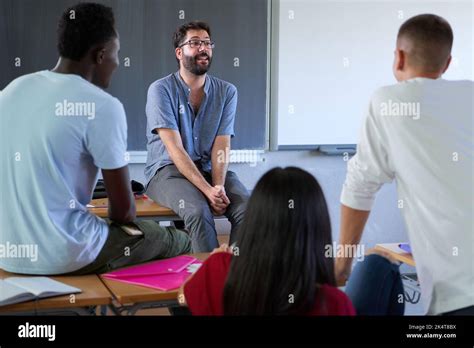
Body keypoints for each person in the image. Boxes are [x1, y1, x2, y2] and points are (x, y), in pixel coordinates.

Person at [0, 2, 190, 275]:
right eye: (116, 54)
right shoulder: (102, 105)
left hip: (6, 252)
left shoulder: (11, 91)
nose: (116, 63)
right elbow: (123, 213)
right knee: (179, 240)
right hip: (65, 254)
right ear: (100, 55)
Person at [335, 14, 474, 315]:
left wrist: (342, 266)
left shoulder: (388, 102)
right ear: (447, 64)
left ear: (398, 57)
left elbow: (360, 187)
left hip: (459, 299)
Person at [178, 167, 356, 315]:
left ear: (254, 220)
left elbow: (183, 297)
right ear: (319, 226)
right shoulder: (334, 304)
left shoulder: (220, 269)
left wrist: (210, 263)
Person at [144, 21, 249, 253]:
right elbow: (175, 149)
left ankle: (236, 277)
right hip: (167, 171)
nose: (203, 48)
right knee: (197, 211)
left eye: (207, 43)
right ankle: (208, 282)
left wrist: (219, 186)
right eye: (194, 43)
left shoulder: (227, 91)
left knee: (248, 209)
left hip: (210, 170)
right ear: (179, 52)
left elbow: (222, 144)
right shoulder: (160, 90)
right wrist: (207, 190)